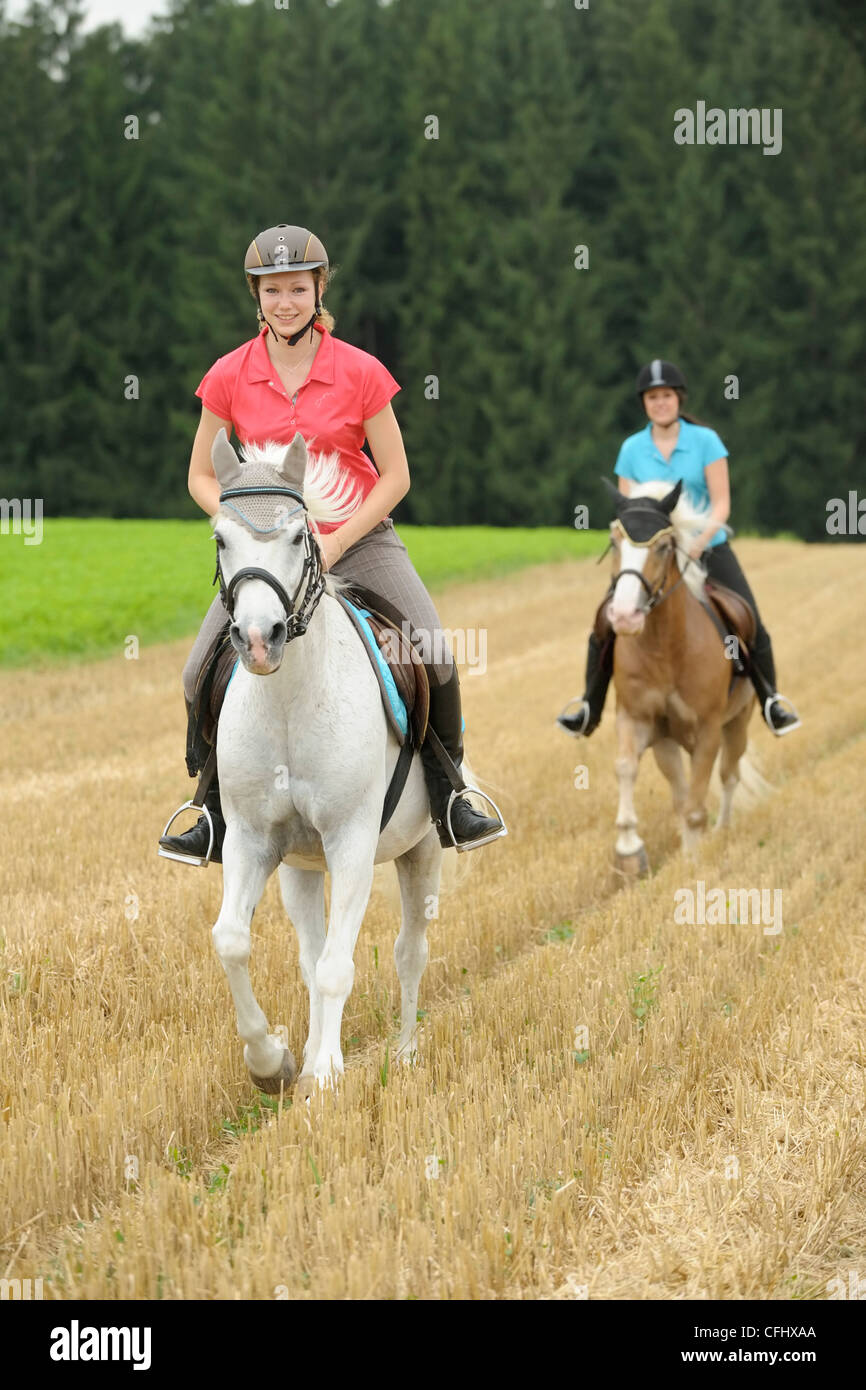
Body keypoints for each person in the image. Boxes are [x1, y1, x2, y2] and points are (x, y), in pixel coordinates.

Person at [159, 223, 505, 863]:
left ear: (318, 291)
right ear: (255, 297)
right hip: (266, 554)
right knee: (194, 672)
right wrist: (242, 522)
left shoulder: (362, 371)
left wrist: (340, 540)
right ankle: (209, 808)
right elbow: (199, 476)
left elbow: (397, 475)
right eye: (271, 290)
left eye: (296, 288)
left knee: (434, 650)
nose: (284, 301)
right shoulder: (228, 375)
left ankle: (451, 794)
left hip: (359, 538)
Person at [558, 359, 801, 739]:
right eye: (653, 397)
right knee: (605, 621)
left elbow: (721, 504)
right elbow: (628, 510)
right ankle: (589, 705)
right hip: (650, 556)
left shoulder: (706, 442)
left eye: (666, 396)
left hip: (707, 548)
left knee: (749, 619)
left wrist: (698, 544)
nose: (660, 403)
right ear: (644, 403)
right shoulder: (632, 449)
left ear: (679, 399)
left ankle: (771, 701)